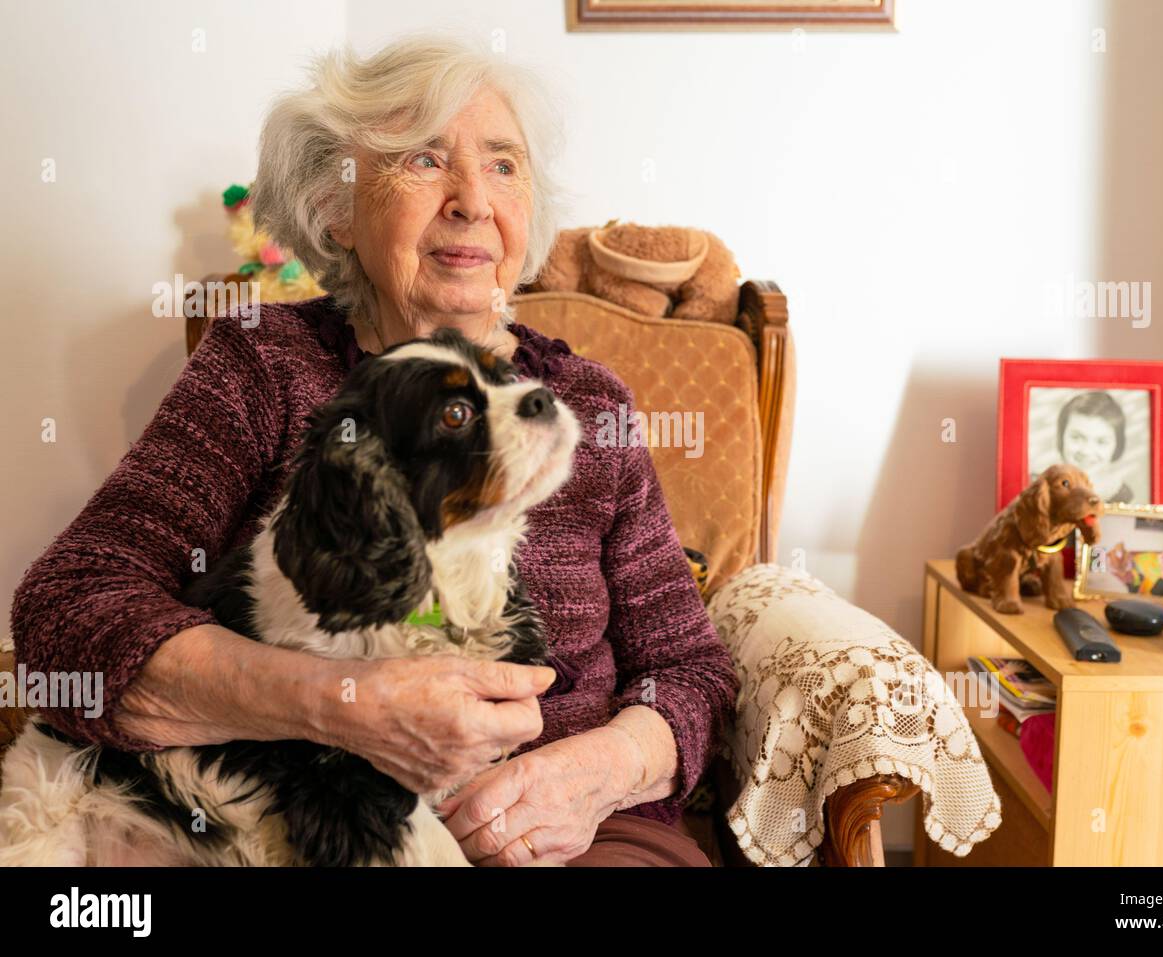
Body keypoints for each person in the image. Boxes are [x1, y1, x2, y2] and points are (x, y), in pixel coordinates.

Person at [9, 35, 738, 867]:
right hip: (306, 825)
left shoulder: (588, 408)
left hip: (578, 836)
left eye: (504, 165)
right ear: (334, 209)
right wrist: (343, 703)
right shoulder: (264, 366)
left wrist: (593, 773)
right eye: (425, 161)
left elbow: (692, 671)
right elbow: (64, 616)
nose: (472, 200)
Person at [1055, 390, 1134, 502]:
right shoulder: (1038, 488)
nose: (1087, 451)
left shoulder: (1124, 498)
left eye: (1101, 442)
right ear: (1061, 437)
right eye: (1076, 437)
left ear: (1117, 446)